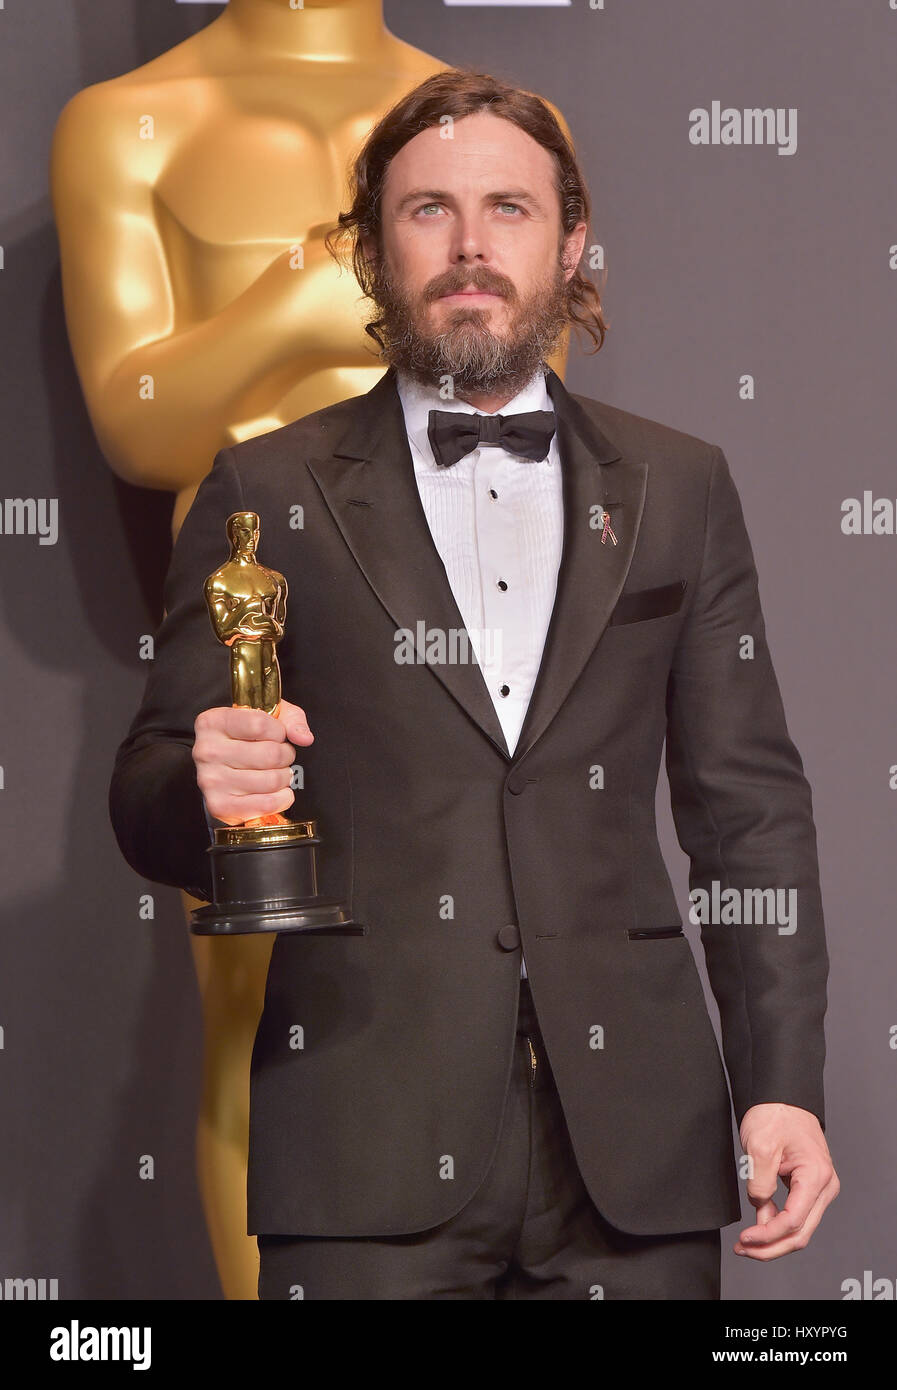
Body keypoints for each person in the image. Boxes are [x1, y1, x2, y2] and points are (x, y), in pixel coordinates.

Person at [109, 68, 838, 1300]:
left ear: (571, 238)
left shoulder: (681, 488)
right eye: (426, 209)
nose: (469, 246)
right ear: (372, 247)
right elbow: (145, 797)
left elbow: (748, 812)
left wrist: (781, 1084)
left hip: (636, 1152)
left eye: (508, 207)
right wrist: (207, 786)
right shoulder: (265, 490)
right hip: (361, 1136)